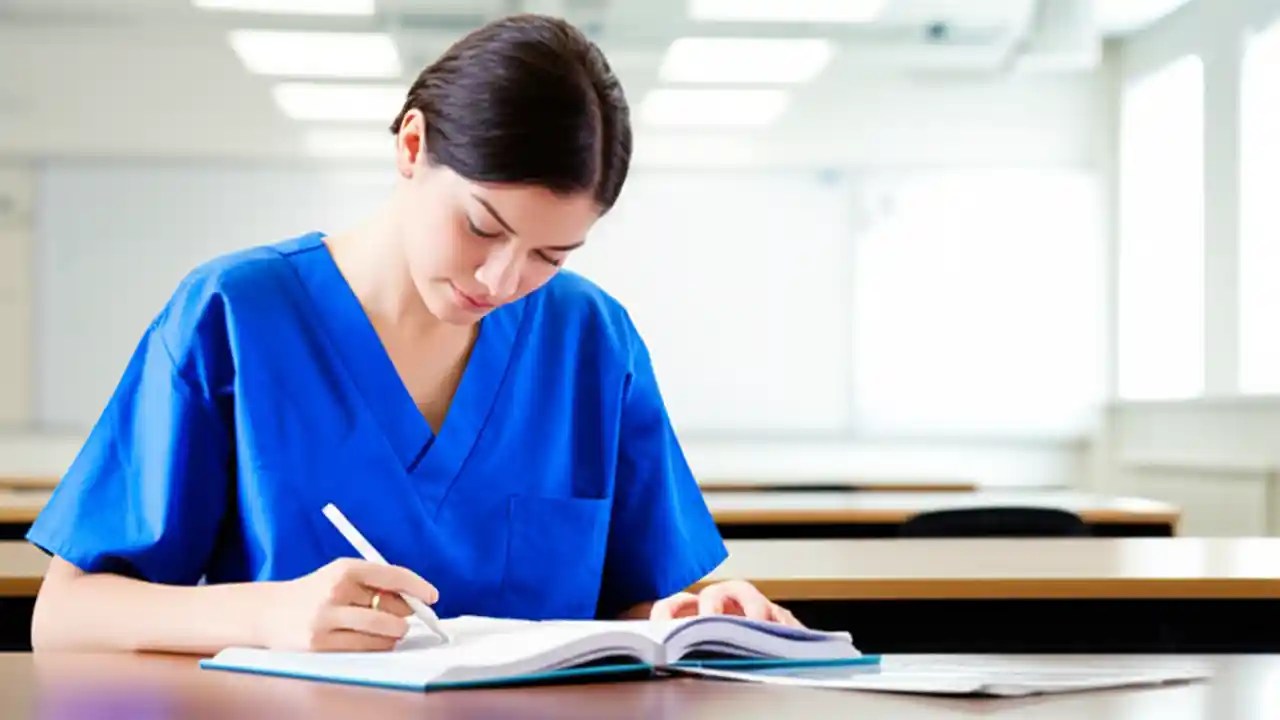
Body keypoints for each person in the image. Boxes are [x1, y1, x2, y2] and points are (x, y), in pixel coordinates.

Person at [26, 13, 799, 654]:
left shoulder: (591, 340)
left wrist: (691, 619)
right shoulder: (236, 314)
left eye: (549, 255)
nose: (501, 281)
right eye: (480, 226)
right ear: (410, 146)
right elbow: (65, 615)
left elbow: (633, 606)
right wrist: (266, 616)